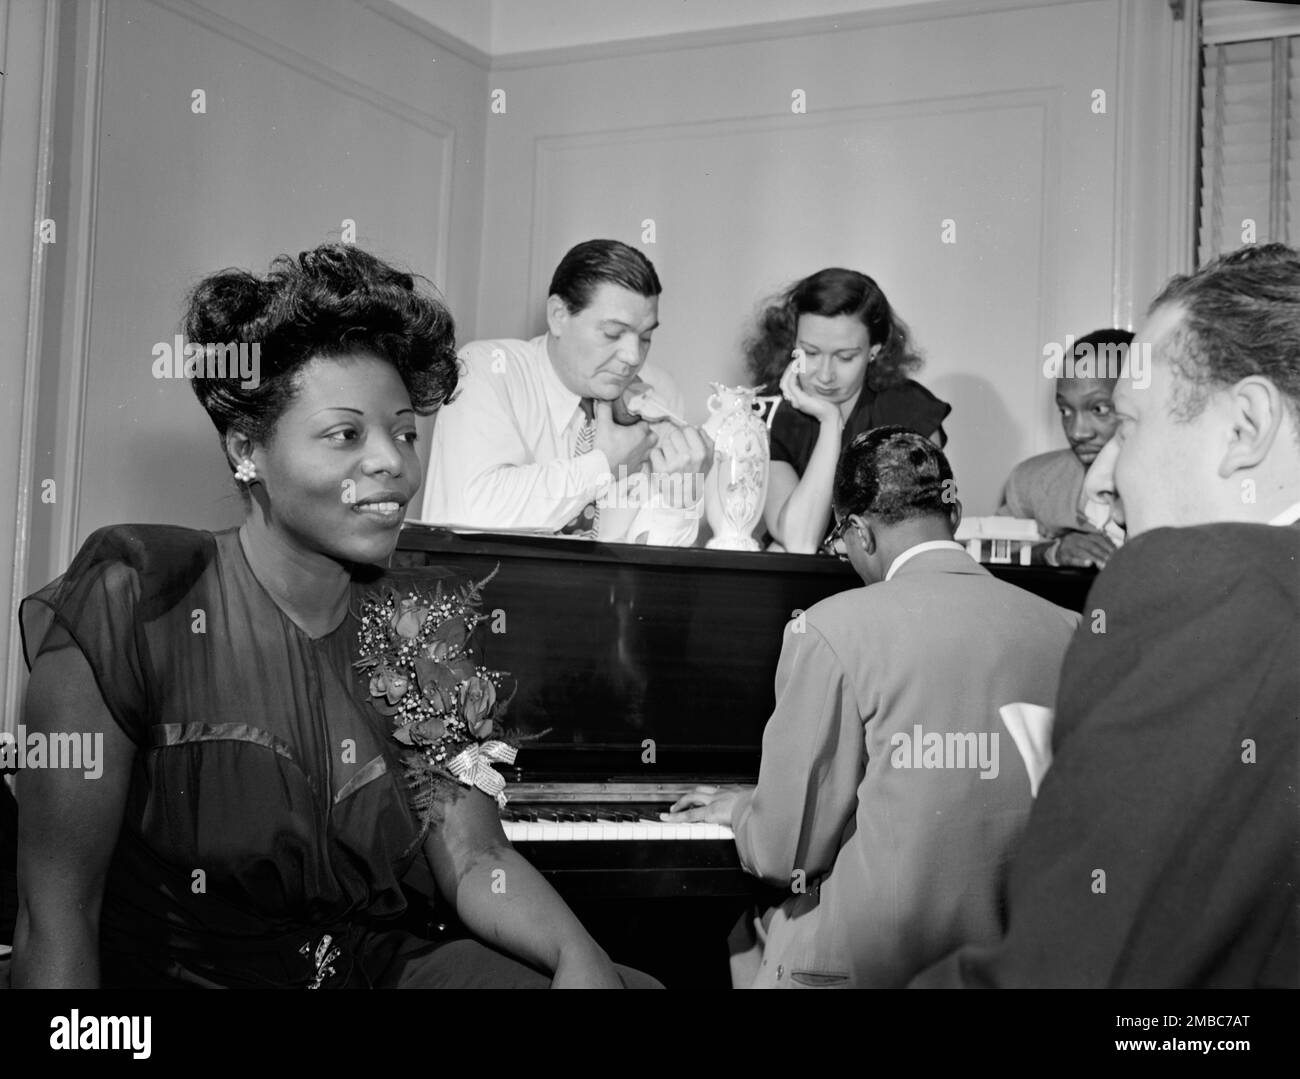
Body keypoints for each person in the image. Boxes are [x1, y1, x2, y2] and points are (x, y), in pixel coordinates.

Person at [12, 244, 657, 988]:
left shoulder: (421, 622)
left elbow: (477, 857)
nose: (394, 463)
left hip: (373, 966)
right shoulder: (133, 602)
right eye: (346, 433)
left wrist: (580, 957)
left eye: (405, 431)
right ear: (247, 448)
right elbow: (56, 920)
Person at [913, 243, 1300, 989]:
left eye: (1127, 425)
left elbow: (1074, 973)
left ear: (1245, 426)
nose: (1099, 480)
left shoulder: (1201, 584)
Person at [666, 427, 1079, 988]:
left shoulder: (830, 627)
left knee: (728, 936)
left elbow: (785, 855)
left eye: (841, 542)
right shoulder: (1066, 627)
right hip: (1015, 958)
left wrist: (744, 810)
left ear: (858, 530)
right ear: (951, 515)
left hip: (868, 969)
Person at [419, 239, 710, 545]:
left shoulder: (656, 395)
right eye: (613, 333)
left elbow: (653, 563)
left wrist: (680, 497)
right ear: (558, 315)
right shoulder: (487, 370)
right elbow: (476, 513)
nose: (633, 356)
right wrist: (602, 465)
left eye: (646, 337)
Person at [746, 268, 950, 553]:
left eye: (845, 357)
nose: (825, 375)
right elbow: (798, 540)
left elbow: (922, 530)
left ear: (874, 350)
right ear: (793, 344)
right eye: (811, 352)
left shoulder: (909, 410)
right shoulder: (770, 410)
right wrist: (830, 423)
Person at [997, 328, 1132, 568]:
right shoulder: (1032, 481)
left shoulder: (1183, 484)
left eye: (1099, 409)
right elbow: (986, 554)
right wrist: (1052, 553)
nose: (1077, 432)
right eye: (1065, 411)